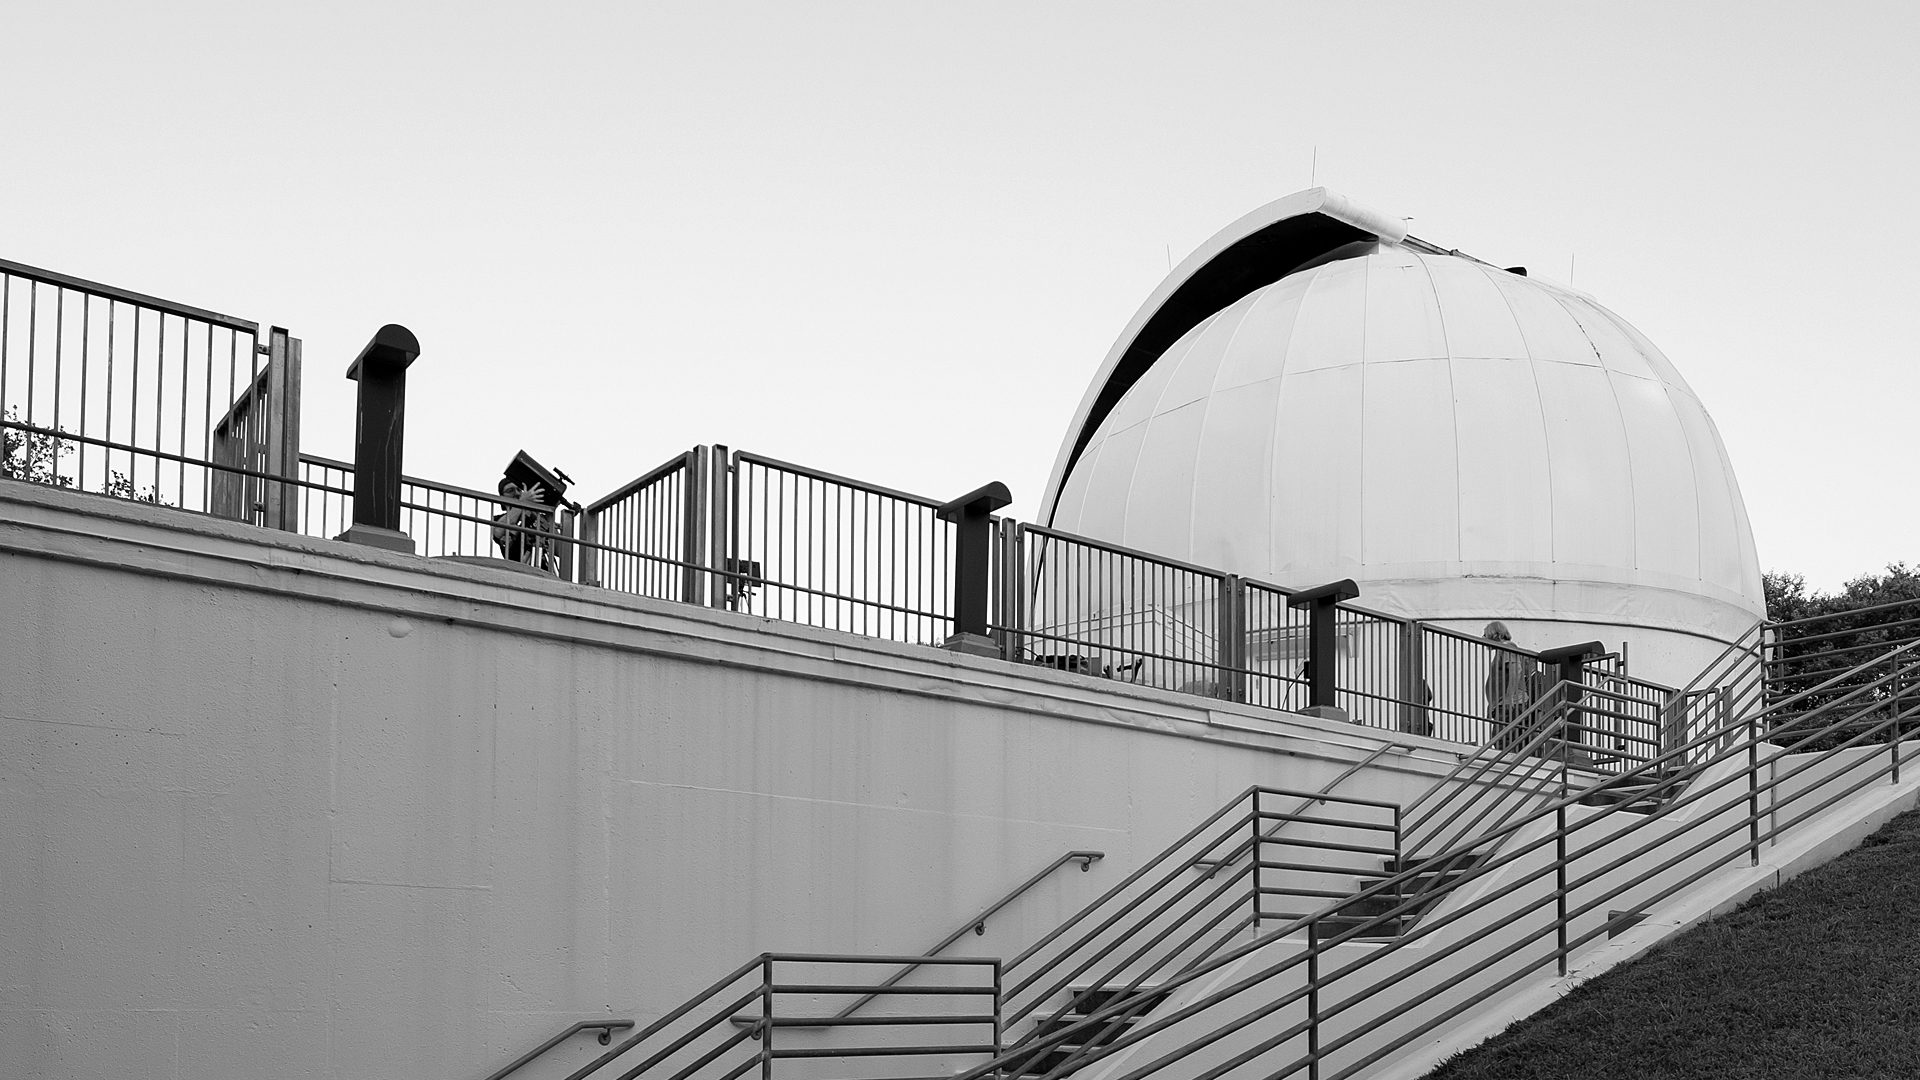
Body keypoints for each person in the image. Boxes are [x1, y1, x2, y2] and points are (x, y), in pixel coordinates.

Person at [1483, 621, 1539, 753]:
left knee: (1503, 740)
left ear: (1495, 634)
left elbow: (1516, 670)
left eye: (1485, 634)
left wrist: (1510, 696)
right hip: (1505, 704)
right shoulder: (1503, 649)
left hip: (1509, 704)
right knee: (1505, 739)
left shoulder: (1507, 647)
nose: (1483, 638)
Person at [492, 479, 561, 572]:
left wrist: (549, 513)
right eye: (510, 490)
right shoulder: (498, 519)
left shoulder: (537, 517)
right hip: (518, 573)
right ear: (502, 497)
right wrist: (522, 502)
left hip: (545, 573)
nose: (516, 493)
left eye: (519, 490)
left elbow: (560, 551)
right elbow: (498, 532)